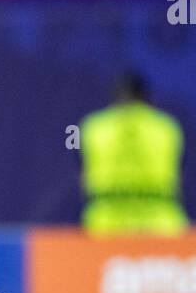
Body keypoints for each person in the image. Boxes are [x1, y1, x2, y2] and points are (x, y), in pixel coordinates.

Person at [78, 72, 188, 236]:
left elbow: (85, 178)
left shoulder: (93, 127)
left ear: (114, 99)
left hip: (105, 225)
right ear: (147, 98)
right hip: (161, 225)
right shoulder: (166, 127)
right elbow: (178, 177)